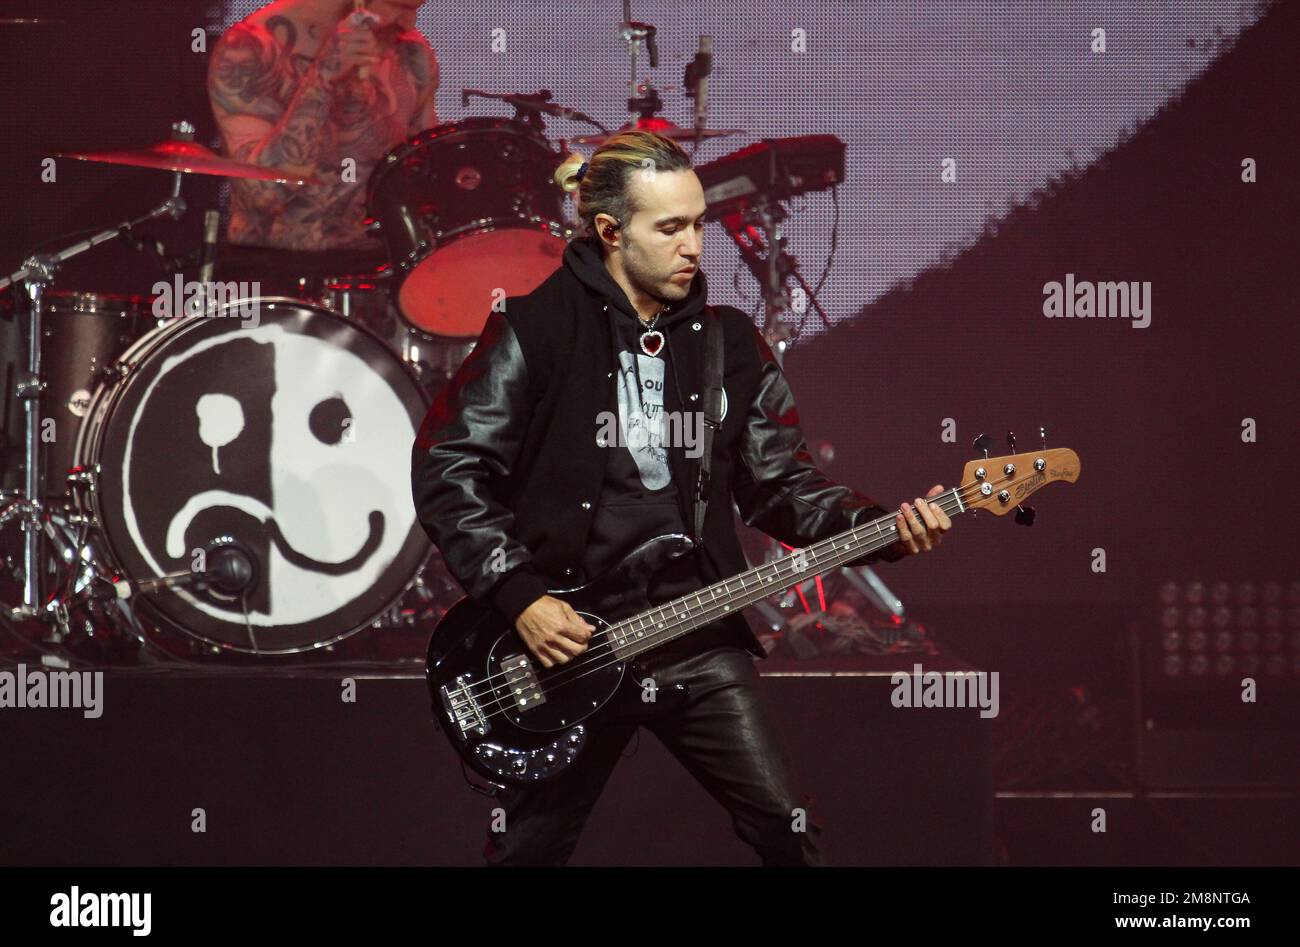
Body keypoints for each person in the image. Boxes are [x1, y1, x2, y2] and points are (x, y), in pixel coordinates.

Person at [411, 130, 953, 866]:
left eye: (697, 223)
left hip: (694, 636)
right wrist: (521, 597)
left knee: (787, 828)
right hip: (571, 644)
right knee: (527, 853)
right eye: (670, 227)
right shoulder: (535, 332)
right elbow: (451, 466)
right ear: (610, 231)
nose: (694, 245)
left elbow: (780, 487)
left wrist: (880, 526)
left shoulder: (730, 347)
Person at [207, 0, 438, 285]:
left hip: (378, 274)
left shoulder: (410, 51)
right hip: (274, 275)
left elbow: (427, 181)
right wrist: (324, 76)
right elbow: (264, 196)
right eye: (397, 9)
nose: (408, 23)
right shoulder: (253, 46)